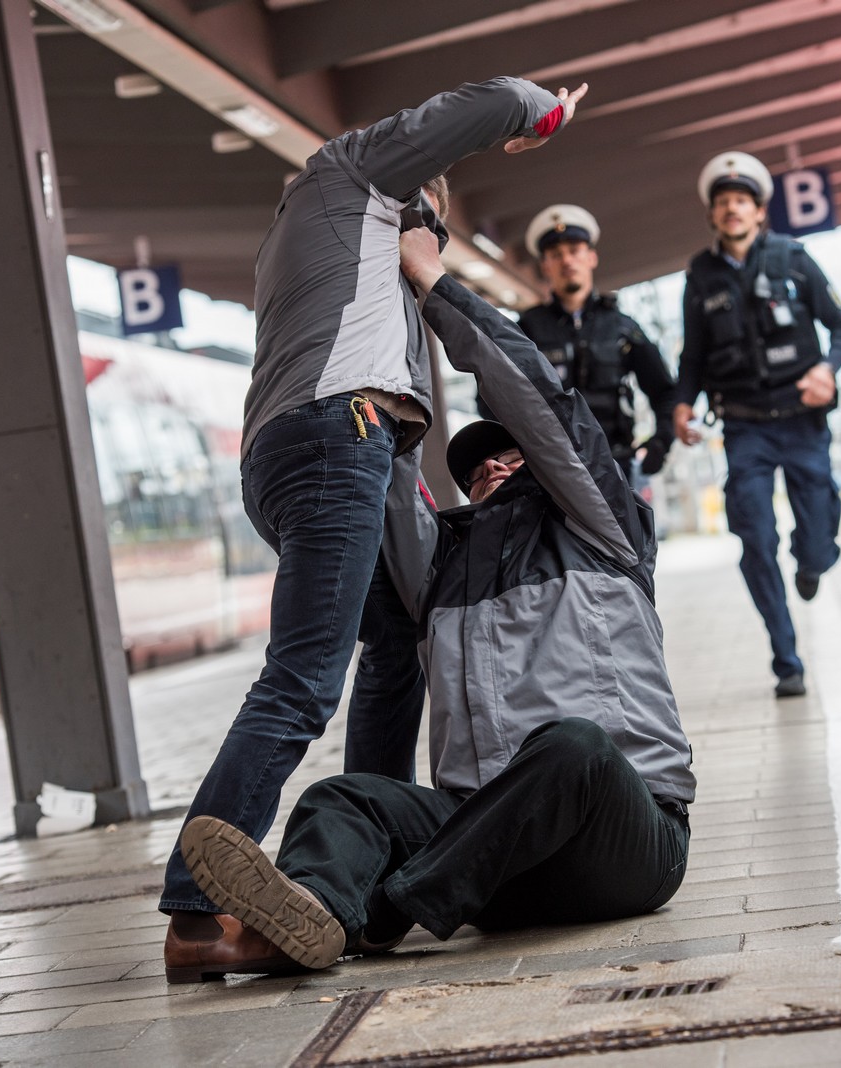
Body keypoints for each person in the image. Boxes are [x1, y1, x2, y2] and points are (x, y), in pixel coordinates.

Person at [166, 224, 695, 979]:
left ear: (545, 467)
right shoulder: (439, 571)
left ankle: (379, 913)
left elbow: (539, 401)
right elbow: (390, 464)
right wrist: (378, 324)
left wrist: (435, 289)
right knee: (343, 799)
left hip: (621, 840)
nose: (493, 469)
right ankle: (310, 918)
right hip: (492, 866)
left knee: (572, 746)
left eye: (512, 456)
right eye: (477, 468)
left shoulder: (606, 529)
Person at [161, 76, 589, 979]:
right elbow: (469, 106)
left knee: (395, 644)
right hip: (336, 439)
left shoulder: (315, 247)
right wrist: (540, 113)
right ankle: (194, 916)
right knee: (305, 678)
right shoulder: (349, 172)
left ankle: (364, 864)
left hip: (327, 450)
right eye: (426, 202)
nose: (427, 223)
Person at [672, 151, 841, 700]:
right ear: (713, 215)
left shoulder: (794, 259)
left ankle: (815, 557)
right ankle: (786, 659)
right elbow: (694, 358)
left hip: (802, 420)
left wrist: (827, 370)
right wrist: (682, 405)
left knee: (818, 535)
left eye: (741, 201)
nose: (732, 209)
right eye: (723, 202)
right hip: (746, 428)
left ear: (758, 211)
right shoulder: (700, 277)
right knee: (754, 537)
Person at [477, 204, 676, 481]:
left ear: (591, 257)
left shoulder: (622, 328)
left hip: (615, 467)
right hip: (551, 470)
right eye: (556, 255)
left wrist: (661, 442)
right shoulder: (526, 330)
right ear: (545, 265)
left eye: (574, 251)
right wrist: (515, 453)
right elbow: (492, 396)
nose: (567, 261)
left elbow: (665, 391)